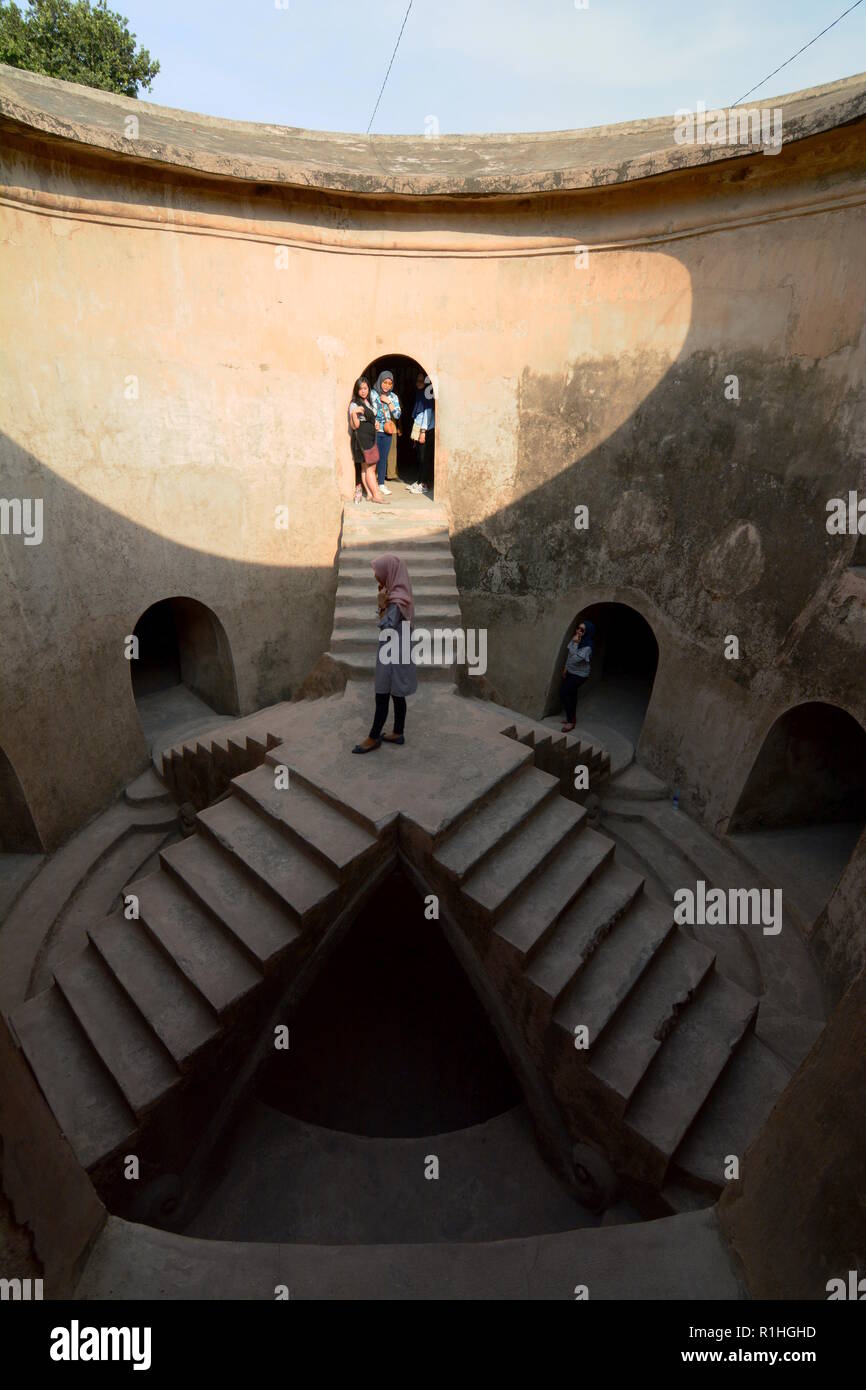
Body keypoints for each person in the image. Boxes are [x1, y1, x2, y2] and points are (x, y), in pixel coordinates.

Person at [352, 553, 418, 753]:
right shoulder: (398, 594)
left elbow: (387, 627)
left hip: (393, 653)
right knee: (396, 693)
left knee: (382, 693)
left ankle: (373, 737)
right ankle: (398, 732)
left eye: (378, 572)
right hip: (394, 650)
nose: (376, 577)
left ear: (390, 573)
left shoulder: (398, 600)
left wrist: (381, 604)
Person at [348, 377, 385, 504]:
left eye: (365, 388)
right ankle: (376, 495)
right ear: (356, 390)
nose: (363, 391)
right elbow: (355, 426)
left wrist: (375, 424)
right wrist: (353, 414)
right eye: (360, 389)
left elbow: (371, 418)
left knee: (365, 467)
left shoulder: (368, 402)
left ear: (368, 389)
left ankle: (369, 494)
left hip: (369, 436)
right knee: (371, 467)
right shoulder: (354, 404)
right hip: (362, 438)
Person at [560, 619, 595, 732]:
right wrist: (566, 668)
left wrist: (575, 643)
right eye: (578, 628)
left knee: (564, 693)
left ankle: (570, 722)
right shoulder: (576, 639)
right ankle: (572, 718)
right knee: (572, 695)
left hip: (580, 675)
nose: (579, 631)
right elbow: (569, 655)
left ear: (588, 632)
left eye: (582, 630)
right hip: (570, 671)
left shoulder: (588, 646)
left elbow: (575, 659)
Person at [370, 370, 401, 495]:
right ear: (380, 381)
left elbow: (397, 414)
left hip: (387, 432)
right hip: (375, 431)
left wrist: (389, 402)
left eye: (389, 383)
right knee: (372, 459)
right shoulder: (372, 394)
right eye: (384, 382)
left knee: (383, 458)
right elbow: (369, 410)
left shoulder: (393, 397)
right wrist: (373, 422)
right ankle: (371, 484)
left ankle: (381, 484)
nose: (387, 385)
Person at [408, 371, 435, 494]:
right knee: (420, 457)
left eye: (421, 381)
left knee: (424, 458)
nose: (418, 383)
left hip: (426, 430)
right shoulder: (420, 394)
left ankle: (424, 484)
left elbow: (427, 414)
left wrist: (423, 431)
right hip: (421, 428)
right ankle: (419, 481)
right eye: (417, 380)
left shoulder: (427, 395)